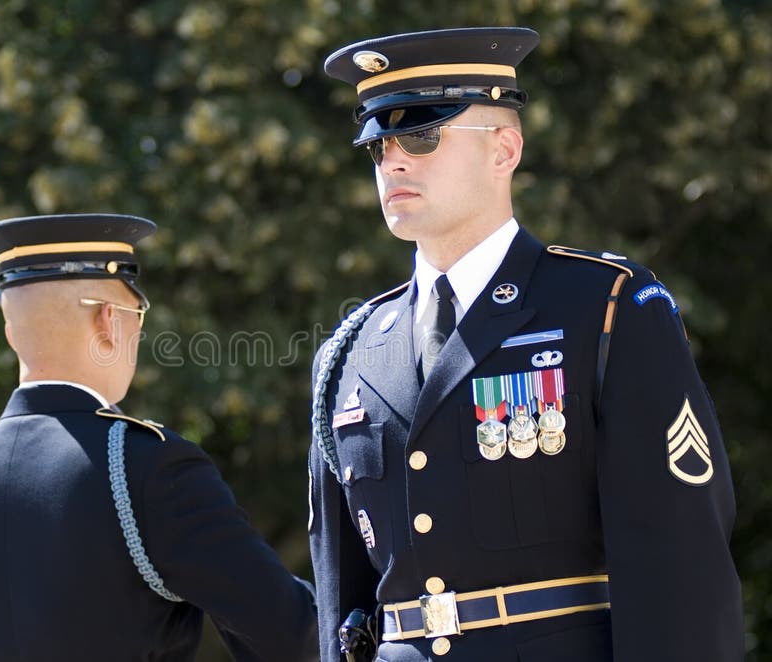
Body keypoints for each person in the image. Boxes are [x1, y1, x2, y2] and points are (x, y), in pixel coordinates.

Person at [308, 27, 742, 661]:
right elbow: (340, 598)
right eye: (377, 146)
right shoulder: (348, 353)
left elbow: (678, 557)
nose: (393, 161)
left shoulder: (607, 306)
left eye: (422, 136)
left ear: (504, 150)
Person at [0, 213, 319, 661]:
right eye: (137, 315)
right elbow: (289, 634)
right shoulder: (147, 466)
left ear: (10, 333)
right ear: (110, 321)